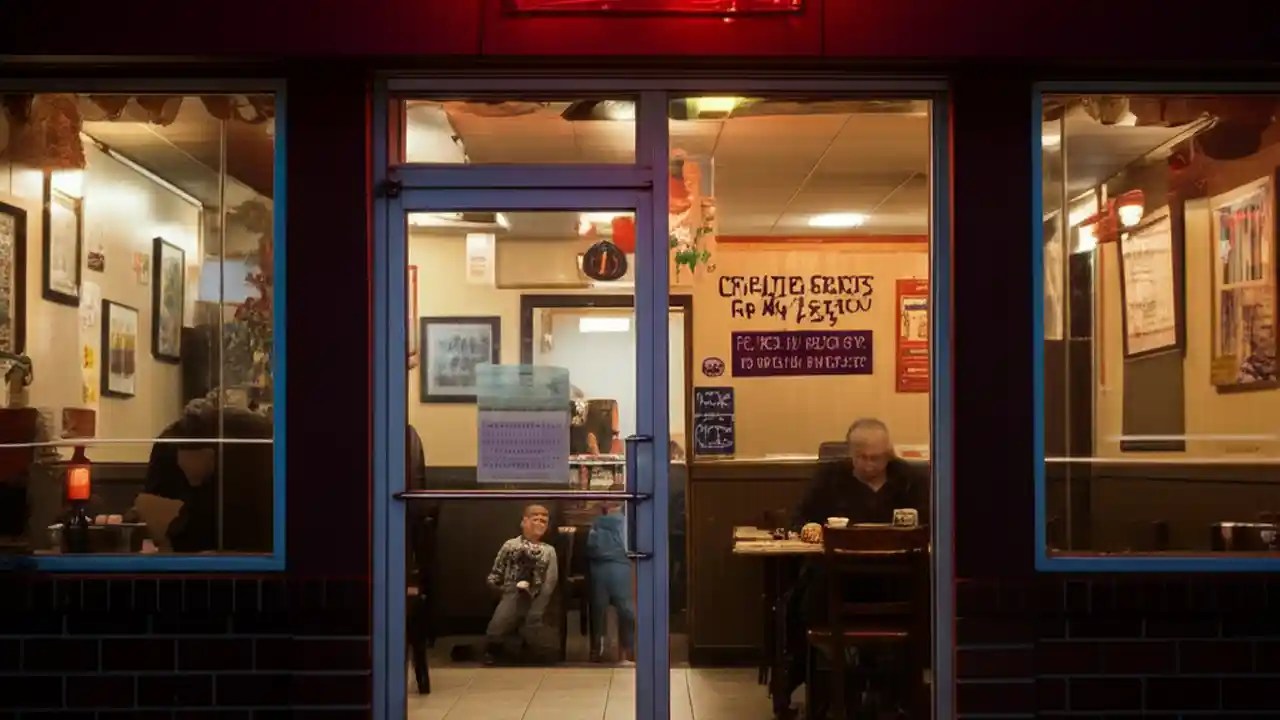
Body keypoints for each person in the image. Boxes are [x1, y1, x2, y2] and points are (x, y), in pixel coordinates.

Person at [775, 418, 928, 719]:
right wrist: (809, 527)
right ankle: (825, 689)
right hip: (836, 586)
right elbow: (799, 520)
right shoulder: (829, 480)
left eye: (878, 458)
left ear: (889, 453)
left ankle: (898, 693)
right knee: (798, 599)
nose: (870, 465)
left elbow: (932, 525)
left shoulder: (910, 480)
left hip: (897, 590)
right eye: (862, 457)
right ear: (850, 453)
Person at [484, 503, 559, 665]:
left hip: (536, 596)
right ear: (524, 522)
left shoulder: (548, 551)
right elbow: (495, 574)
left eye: (543, 521)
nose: (539, 524)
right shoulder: (511, 546)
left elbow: (550, 580)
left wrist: (540, 602)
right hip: (512, 593)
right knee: (497, 629)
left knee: (536, 634)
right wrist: (503, 591)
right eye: (535, 519)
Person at [586, 501, 635, 663]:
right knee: (626, 610)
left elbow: (591, 546)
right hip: (621, 565)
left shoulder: (597, 523)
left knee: (599, 610)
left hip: (600, 567)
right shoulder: (626, 521)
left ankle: (597, 650)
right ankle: (627, 650)